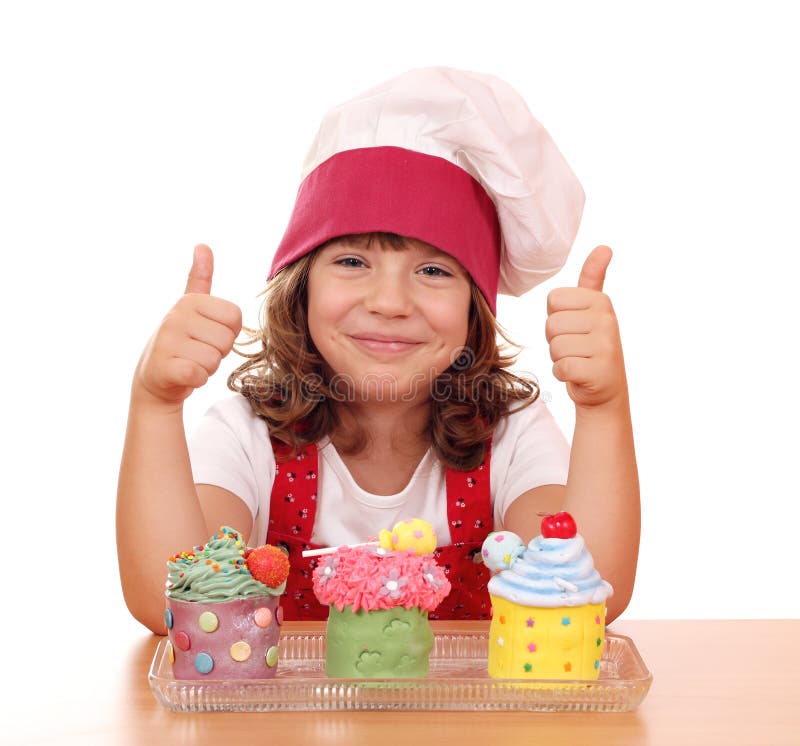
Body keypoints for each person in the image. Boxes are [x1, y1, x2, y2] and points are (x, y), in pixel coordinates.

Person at [117, 66, 640, 635]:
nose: (390, 301)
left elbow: (585, 597)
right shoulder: (247, 433)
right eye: (351, 261)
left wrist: (602, 407)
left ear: (475, 309)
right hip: (285, 729)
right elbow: (169, 601)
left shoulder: (512, 435)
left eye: (434, 269)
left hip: (466, 728)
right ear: (302, 285)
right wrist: (156, 404)